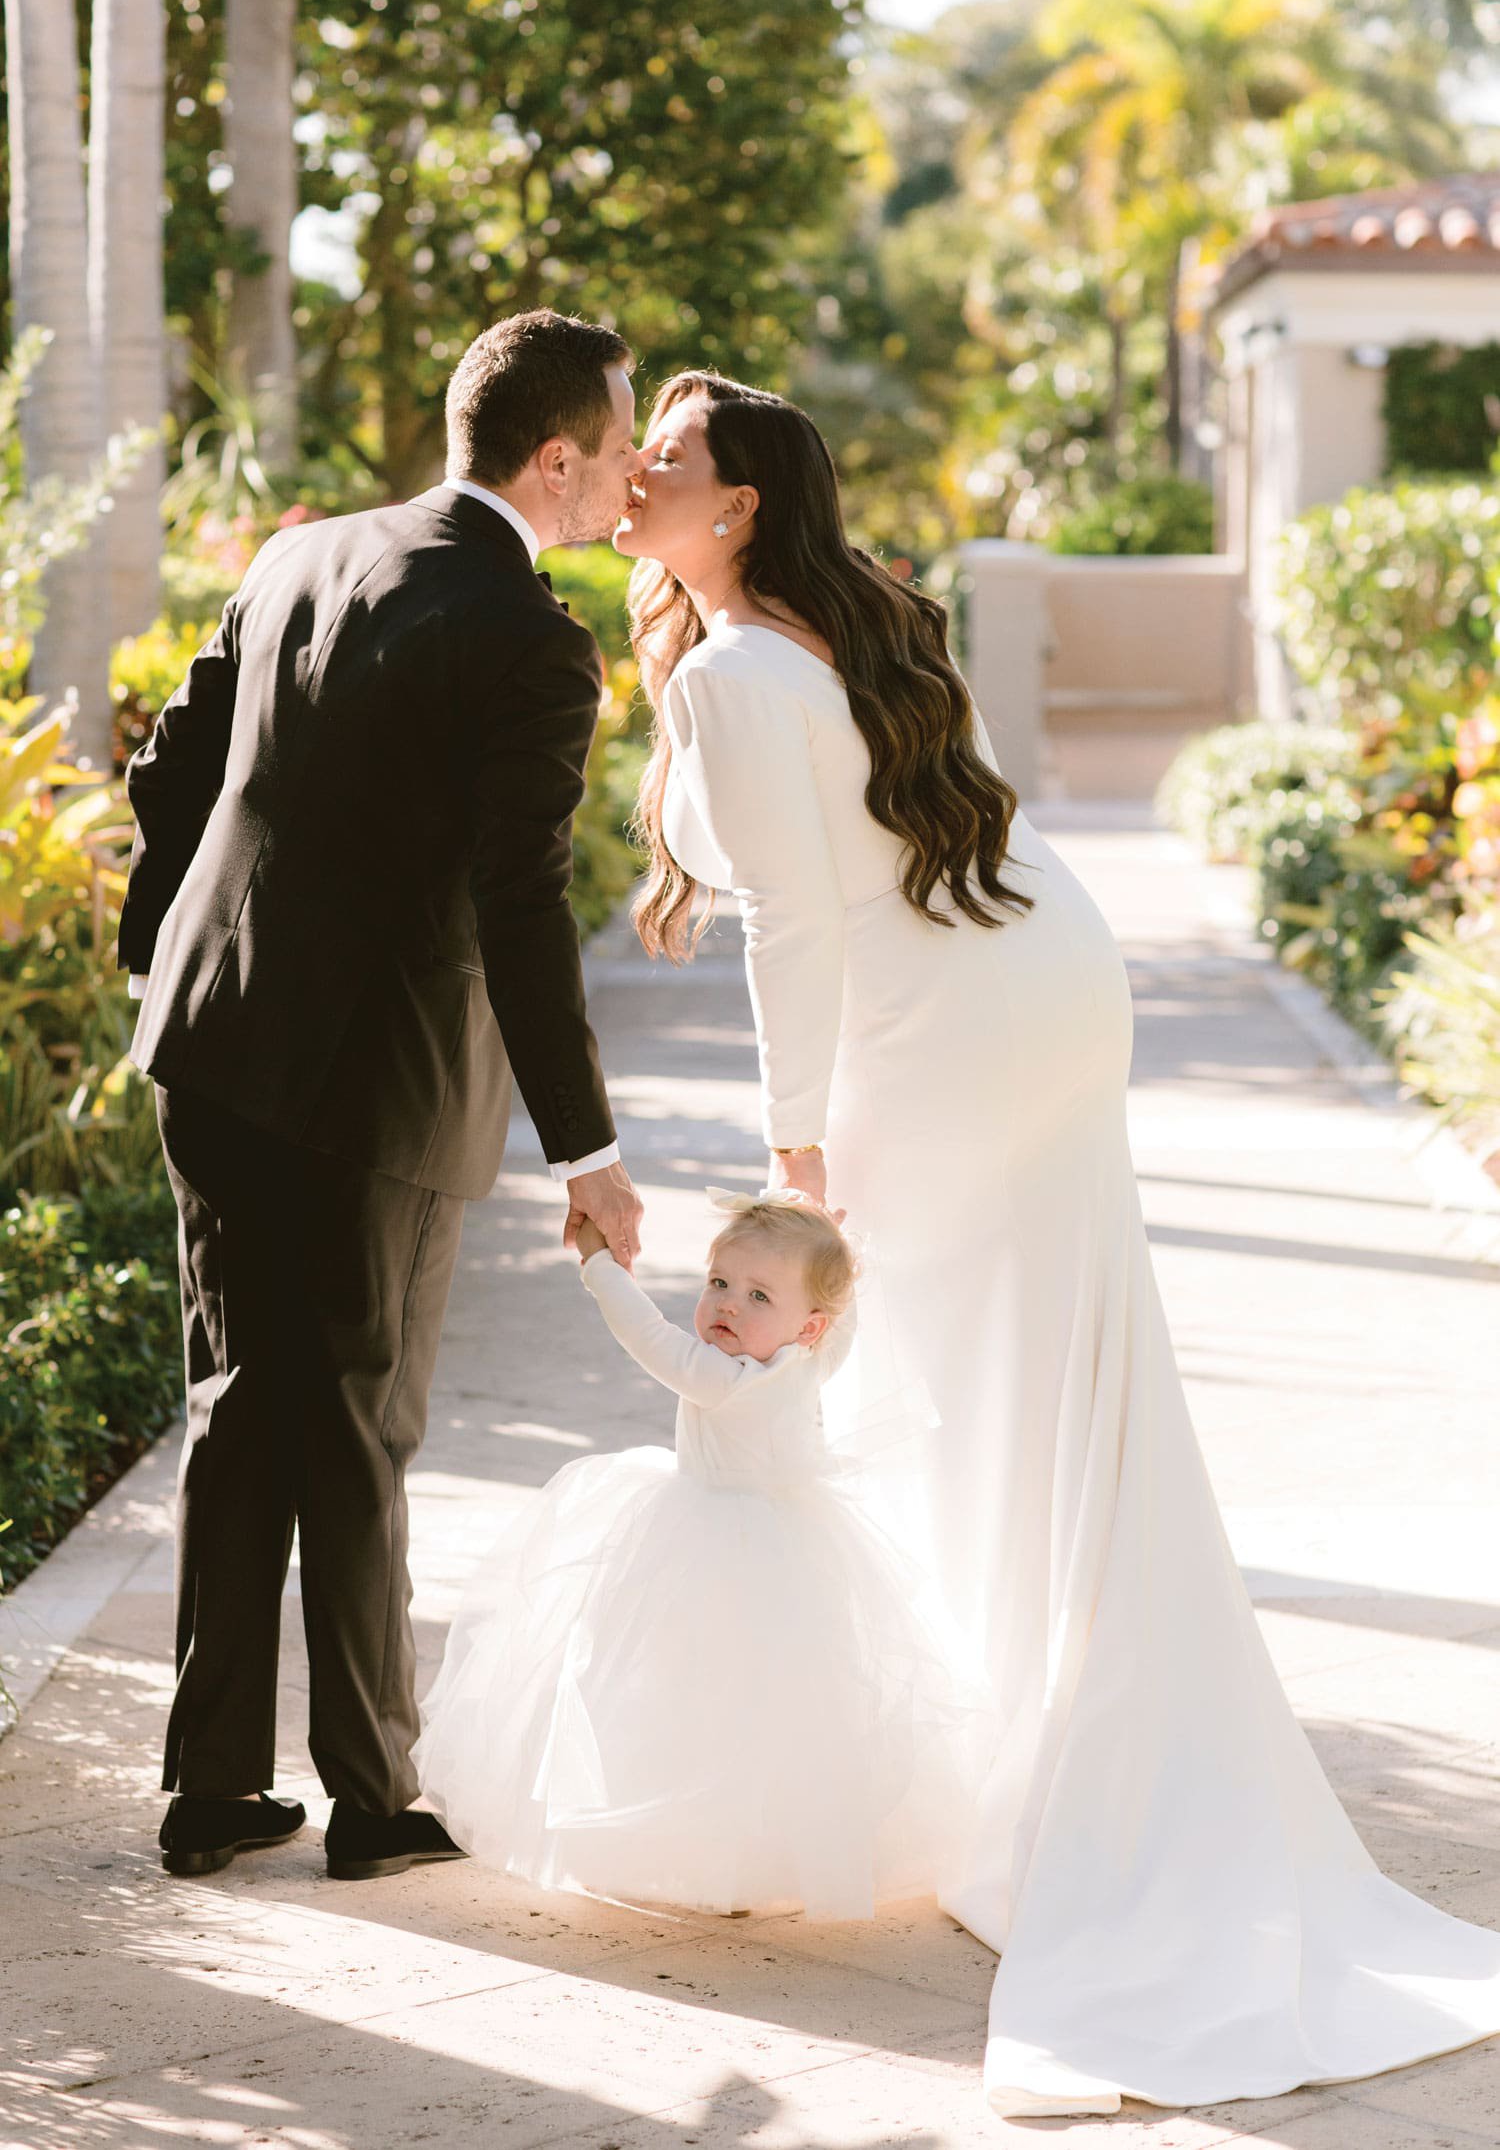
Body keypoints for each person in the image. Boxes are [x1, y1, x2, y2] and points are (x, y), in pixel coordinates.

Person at [617, 369, 1500, 2117]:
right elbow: (826, 845)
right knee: (1040, 1391)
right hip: (1032, 986)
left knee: (957, 1397)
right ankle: (1029, 1756)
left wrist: (792, 1137)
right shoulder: (808, 627)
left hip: (940, 1036)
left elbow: (797, 906)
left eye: (671, 456)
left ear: (736, 507)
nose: (638, 471)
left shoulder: (732, 661)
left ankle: (1039, 1783)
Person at [120, 309, 645, 1884]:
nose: (627, 480)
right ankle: (369, 1796)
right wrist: (591, 1145)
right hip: (374, 1090)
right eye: (618, 452)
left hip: (211, 1044)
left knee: (236, 1410)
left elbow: (169, 769)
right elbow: (523, 905)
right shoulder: (534, 641)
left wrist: (172, 959)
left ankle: (213, 1789)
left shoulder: (306, 555)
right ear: (553, 461)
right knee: (353, 1421)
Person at [413, 1189, 988, 1917]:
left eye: (757, 1296)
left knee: (709, 1702)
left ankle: (729, 1864)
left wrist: (598, 1265)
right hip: (777, 1548)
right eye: (719, 1283)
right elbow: (837, 1327)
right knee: (741, 1708)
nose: (728, 1307)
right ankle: (735, 1862)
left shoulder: (726, 1380)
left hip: (718, 1549)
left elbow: (647, 1336)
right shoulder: (803, 1360)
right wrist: (838, 1264)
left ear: (805, 1325)